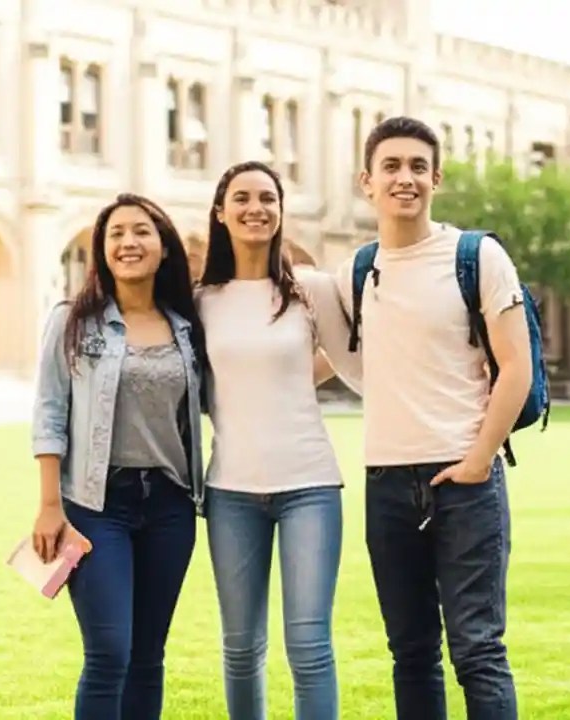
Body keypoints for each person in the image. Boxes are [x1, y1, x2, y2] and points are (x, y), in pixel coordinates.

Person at [335, 117, 531, 720]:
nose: (406, 178)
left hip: (465, 482)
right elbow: (323, 357)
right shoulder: (357, 270)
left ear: (436, 178)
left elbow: (515, 367)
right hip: (387, 482)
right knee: (411, 653)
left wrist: (477, 460)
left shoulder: (477, 256)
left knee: (478, 651)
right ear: (366, 182)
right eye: (391, 166)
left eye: (418, 167)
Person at [31, 193, 207, 720]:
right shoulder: (72, 321)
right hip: (94, 504)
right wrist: (48, 505)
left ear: (164, 248)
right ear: (103, 251)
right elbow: (49, 412)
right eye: (116, 234)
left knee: (148, 657)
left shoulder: (187, 327)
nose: (129, 242)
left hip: (170, 508)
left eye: (141, 232)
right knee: (109, 653)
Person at [196, 160, 362, 720]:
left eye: (267, 197)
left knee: (310, 647)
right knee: (241, 648)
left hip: (310, 487)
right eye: (241, 198)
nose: (256, 208)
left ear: (280, 211)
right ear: (221, 213)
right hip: (231, 491)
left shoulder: (310, 290)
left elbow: (356, 365)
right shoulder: (200, 302)